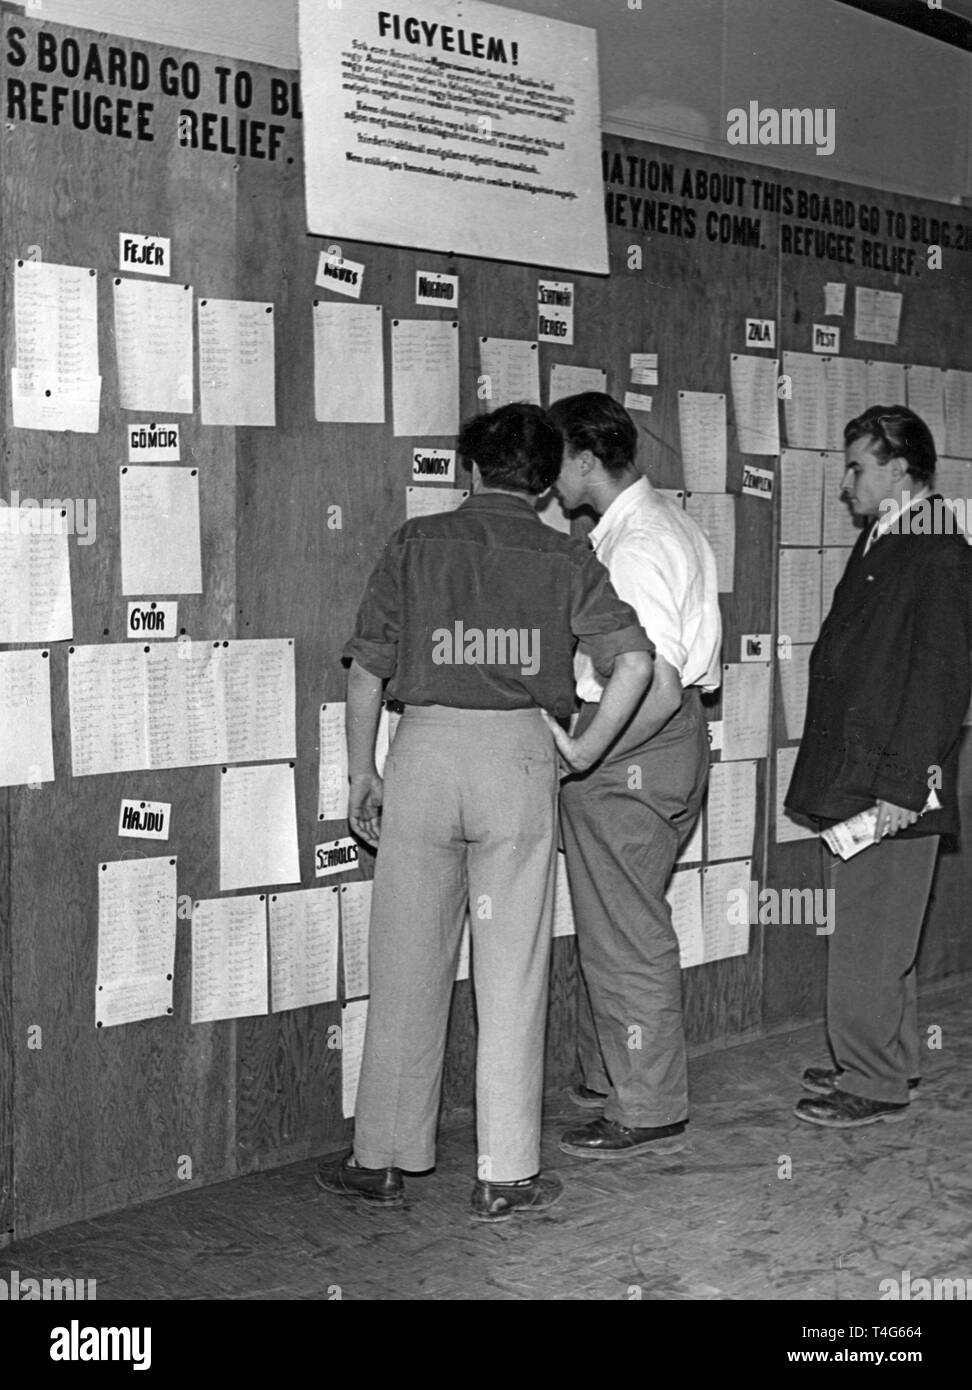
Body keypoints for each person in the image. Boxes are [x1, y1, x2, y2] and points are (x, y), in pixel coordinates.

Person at [315, 402, 655, 1222]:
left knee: (403, 963)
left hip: (425, 753)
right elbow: (636, 662)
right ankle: (506, 1174)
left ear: (470, 469)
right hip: (518, 758)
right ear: (545, 484)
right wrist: (583, 750)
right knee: (513, 971)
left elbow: (367, 672)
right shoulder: (566, 556)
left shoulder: (415, 543)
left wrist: (361, 772)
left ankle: (384, 1159)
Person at [543, 392, 722, 1158]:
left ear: (585, 459)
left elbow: (656, 683)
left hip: (635, 749)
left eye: (557, 459)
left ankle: (647, 1105)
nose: (550, 477)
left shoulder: (639, 542)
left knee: (628, 935)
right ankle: (608, 1076)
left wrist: (588, 753)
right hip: (657, 748)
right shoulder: (661, 523)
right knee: (614, 920)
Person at [787, 405, 972, 1127]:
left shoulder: (938, 550)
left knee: (872, 929)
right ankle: (885, 1055)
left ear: (901, 468)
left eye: (858, 467)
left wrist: (904, 787)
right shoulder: (888, 541)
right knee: (880, 927)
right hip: (863, 772)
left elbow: (939, 678)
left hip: (891, 782)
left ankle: (872, 1079)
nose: (846, 483)